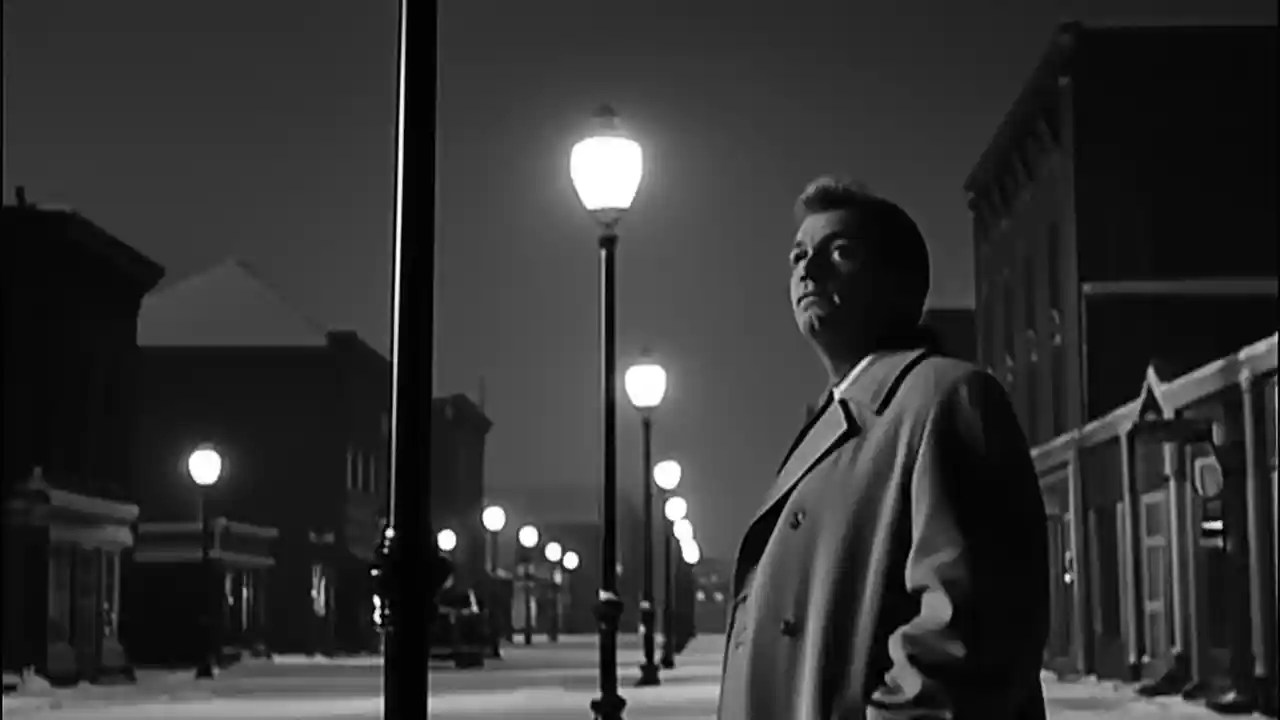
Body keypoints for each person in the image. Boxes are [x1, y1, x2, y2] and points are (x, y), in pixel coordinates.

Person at [717, 177, 1049, 720]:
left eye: (839, 251)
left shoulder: (947, 399)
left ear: (899, 282)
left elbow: (970, 633)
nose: (807, 269)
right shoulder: (838, 419)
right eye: (798, 255)